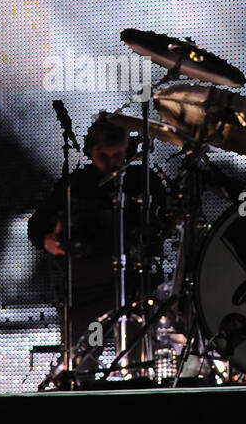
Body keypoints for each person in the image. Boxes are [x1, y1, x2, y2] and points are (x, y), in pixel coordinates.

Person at [27, 117, 167, 371]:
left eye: (118, 155)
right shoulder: (74, 185)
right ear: (90, 151)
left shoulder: (143, 181)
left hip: (136, 285)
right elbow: (36, 227)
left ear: (129, 151)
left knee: (138, 365)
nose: (111, 162)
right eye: (104, 155)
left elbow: (165, 223)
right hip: (87, 287)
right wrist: (50, 241)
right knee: (83, 364)